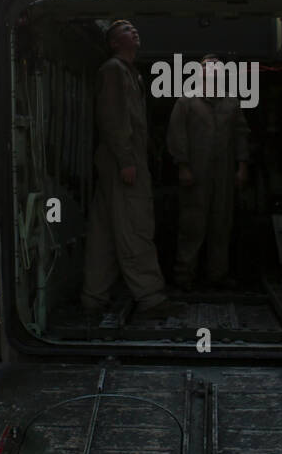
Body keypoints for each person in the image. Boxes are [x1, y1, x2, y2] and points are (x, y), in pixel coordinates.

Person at [82, 20, 174, 316]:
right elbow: (113, 118)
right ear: (113, 42)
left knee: (106, 232)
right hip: (123, 165)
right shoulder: (114, 70)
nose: (133, 31)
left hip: (118, 164)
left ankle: (93, 297)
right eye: (124, 29)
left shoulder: (130, 74)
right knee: (135, 227)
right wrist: (127, 161)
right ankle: (150, 297)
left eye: (135, 28)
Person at [166, 56, 250, 289]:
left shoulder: (232, 103)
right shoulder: (186, 102)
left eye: (216, 67)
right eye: (206, 66)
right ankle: (184, 276)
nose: (211, 70)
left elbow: (241, 134)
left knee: (221, 223)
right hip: (195, 173)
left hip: (223, 174)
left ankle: (217, 275)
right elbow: (176, 135)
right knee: (192, 224)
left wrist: (242, 167)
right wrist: (182, 166)